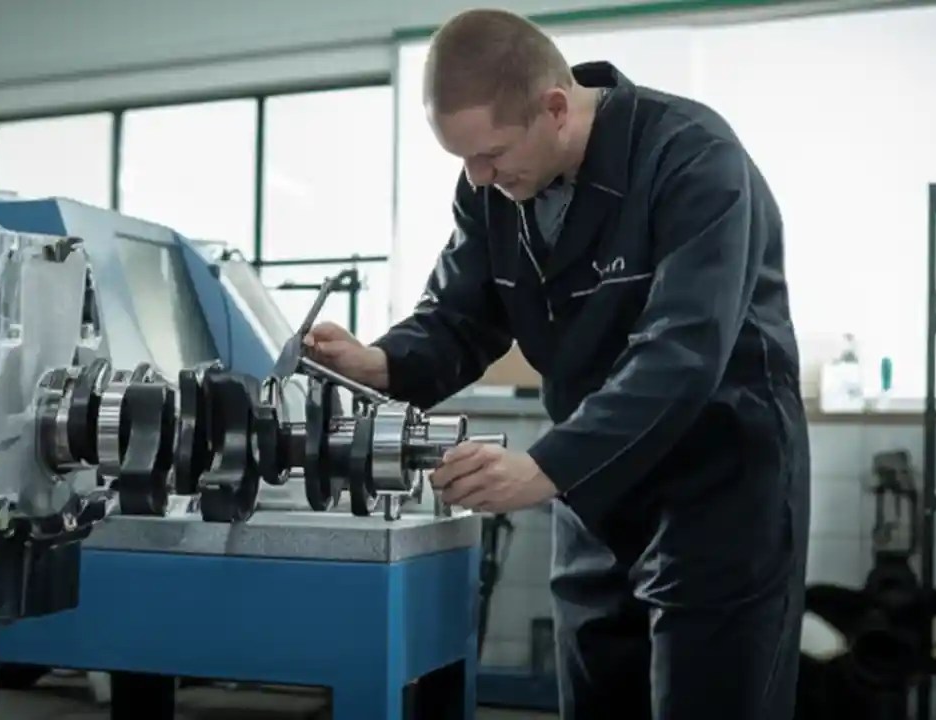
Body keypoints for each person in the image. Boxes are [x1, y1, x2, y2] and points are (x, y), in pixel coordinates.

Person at [303, 8, 810, 720]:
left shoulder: (692, 155)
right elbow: (460, 315)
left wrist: (544, 468)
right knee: (599, 697)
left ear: (555, 108)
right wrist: (380, 362)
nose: (478, 179)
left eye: (492, 153)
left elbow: (683, 349)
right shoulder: (492, 188)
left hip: (719, 480)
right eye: (462, 160)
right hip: (595, 492)